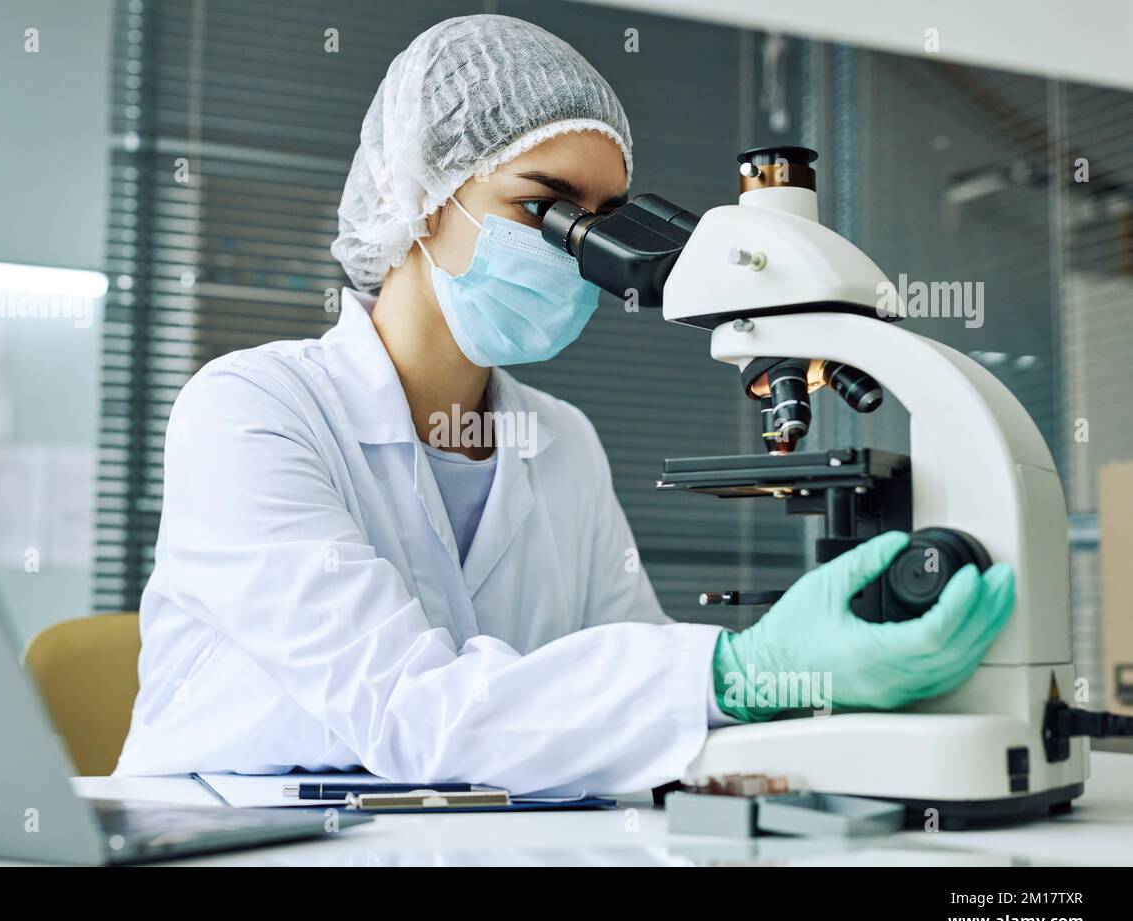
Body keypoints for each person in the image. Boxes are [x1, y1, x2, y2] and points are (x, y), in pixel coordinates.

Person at [115, 14, 1014, 794]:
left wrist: (801, 697)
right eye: (543, 207)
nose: (576, 249)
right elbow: (412, 711)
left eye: (602, 219)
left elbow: (634, 698)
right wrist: (745, 670)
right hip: (227, 833)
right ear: (413, 194)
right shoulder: (251, 411)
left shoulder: (560, 440)